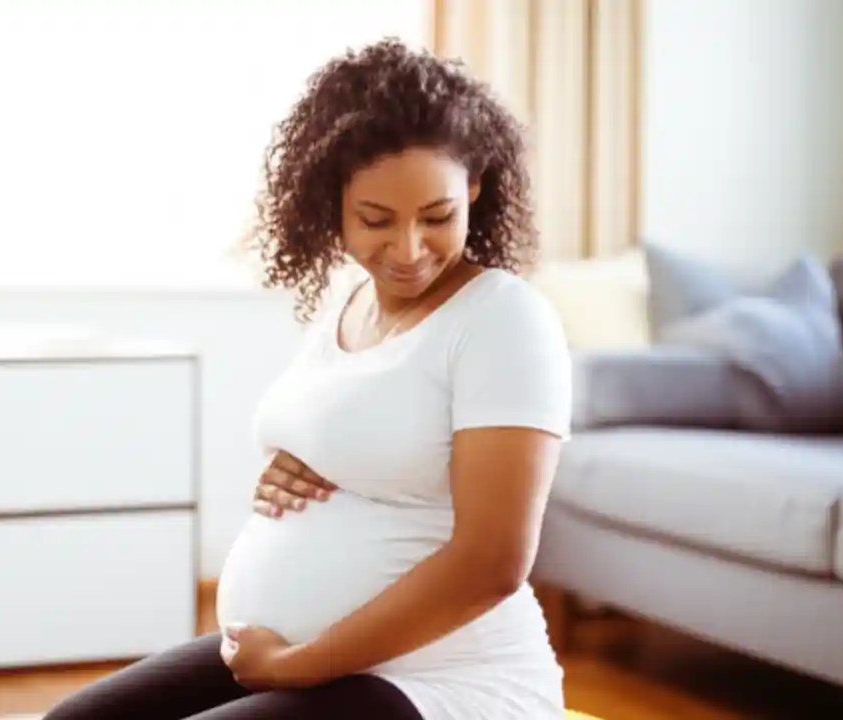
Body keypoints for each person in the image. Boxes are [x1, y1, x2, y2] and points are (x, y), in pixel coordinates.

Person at [46, 37, 571, 719]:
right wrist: (291, 470)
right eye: (376, 221)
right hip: (305, 657)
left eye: (437, 217)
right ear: (332, 206)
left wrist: (294, 666)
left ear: (474, 186)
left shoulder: (503, 320)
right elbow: (365, 436)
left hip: (443, 682)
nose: (409, 250)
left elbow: (492, 563)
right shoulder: (344, 301)